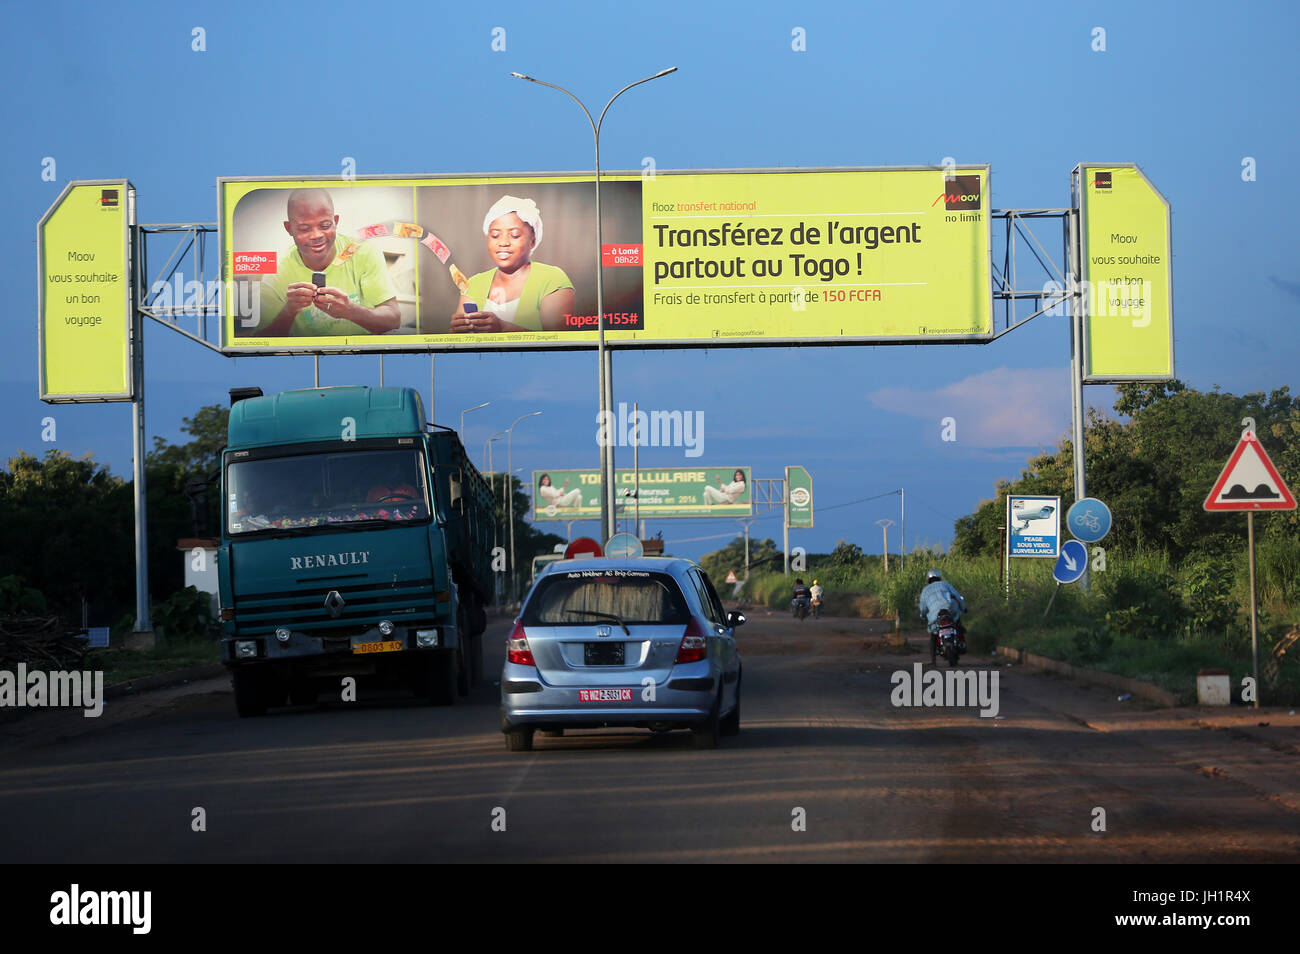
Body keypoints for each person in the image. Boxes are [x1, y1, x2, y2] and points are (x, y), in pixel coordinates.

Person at [257, 188, 402, 337]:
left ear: (335, 222)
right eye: (304, 229)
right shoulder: (276, 271)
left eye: (325, 226)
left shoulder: (363, 251)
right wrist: (289, 311)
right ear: (289, 228)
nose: (316, 235)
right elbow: (259, 341)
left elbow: (393, 320)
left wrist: (351, 311)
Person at [449, 196, 575, 333]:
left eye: (514, 235)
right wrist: (457, 332)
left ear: (532, 240)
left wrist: (503, 329)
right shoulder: (474, 283)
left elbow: (559, 344)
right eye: (495, 235)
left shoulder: (552, 279)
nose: (503, 242)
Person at [918, 568, 967, 633]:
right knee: (957, 620)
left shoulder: (925, 590)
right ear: (939, 577)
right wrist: (963, 608)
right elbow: (958, 597)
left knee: (934, 631)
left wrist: (923, 615)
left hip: (934, 615)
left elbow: (923, 608)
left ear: (928, 579)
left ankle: (935, 641)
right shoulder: (945, 584)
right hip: (950, 609)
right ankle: (960, 629)